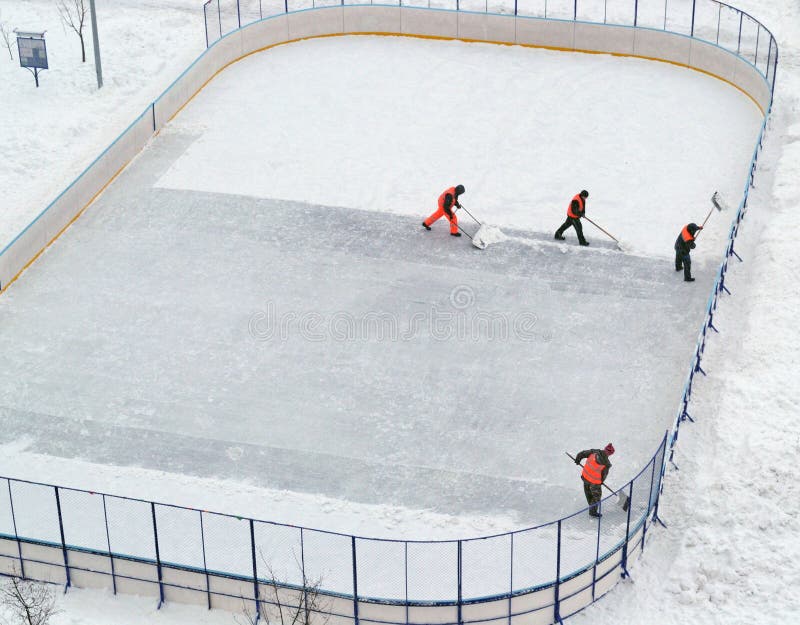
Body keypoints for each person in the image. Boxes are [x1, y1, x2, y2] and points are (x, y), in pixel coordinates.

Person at [574, 443, 614, 517]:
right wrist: (601, 481)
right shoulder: (606, 464)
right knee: (596, 496)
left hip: (585, 477)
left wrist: (578, 459)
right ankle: (592, 511)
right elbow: (604, 475)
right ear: (610, 454)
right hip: (594, 482)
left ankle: (591, 506)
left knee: (588, 492)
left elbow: (582, 453)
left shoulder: (594, 452)